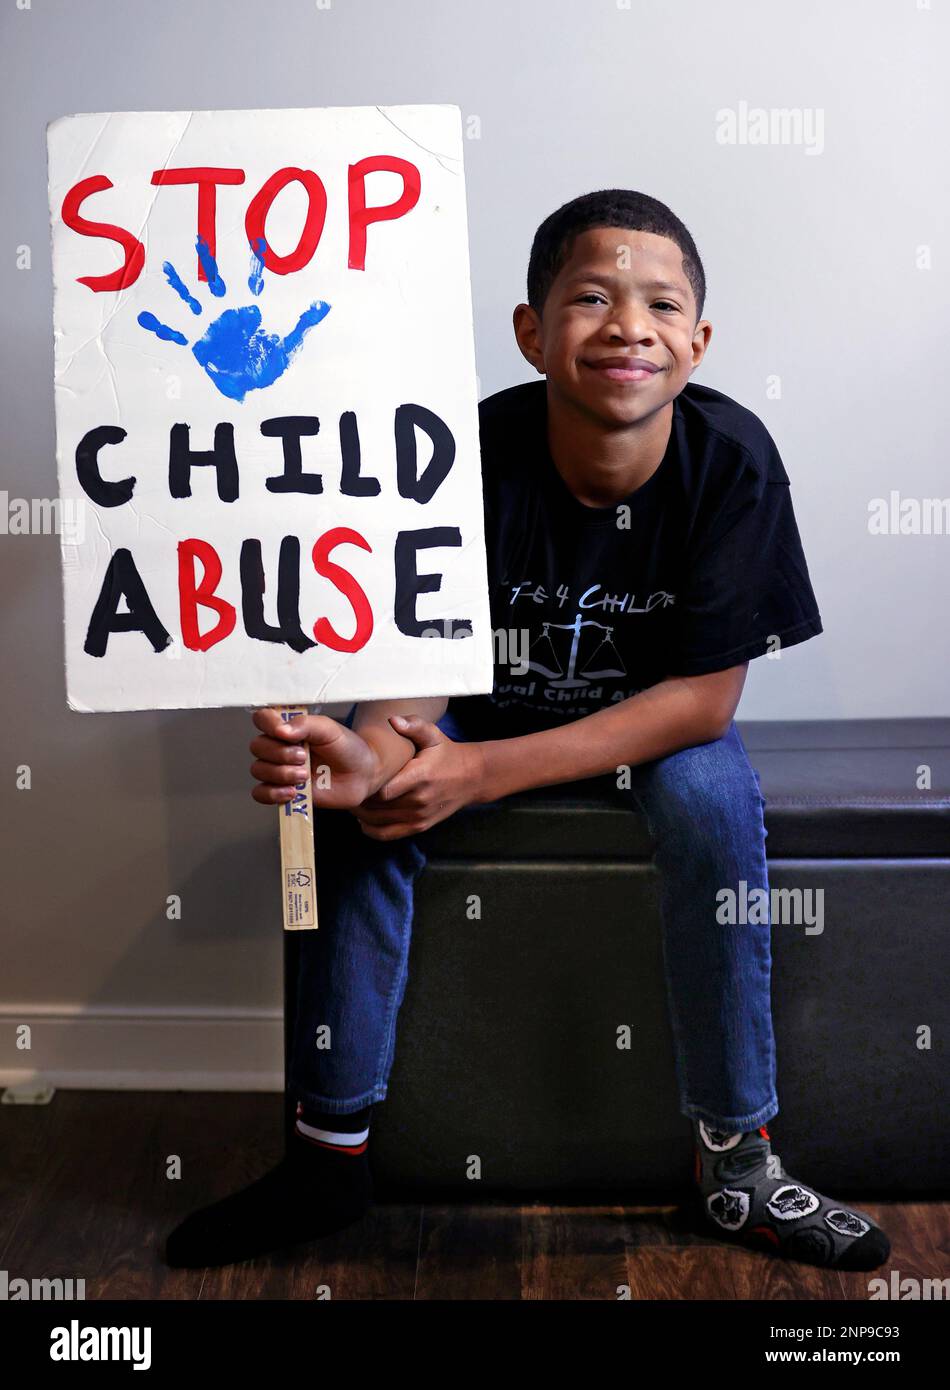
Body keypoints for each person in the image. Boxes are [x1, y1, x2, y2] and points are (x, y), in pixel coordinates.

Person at [164, 189, 890, 1273]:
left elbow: (701, 701)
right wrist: (370, 749)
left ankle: (736, 1159)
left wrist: (482, 776)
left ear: (696, 341)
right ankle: (328, 1152)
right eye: (590, 297)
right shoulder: (454, 453)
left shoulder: (730, 459)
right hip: (465, 700)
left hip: (647, 721)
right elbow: (409, 667)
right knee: (352, 808)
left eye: (659, 305)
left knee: (708, 799)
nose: (627, 325)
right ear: (530, 331)